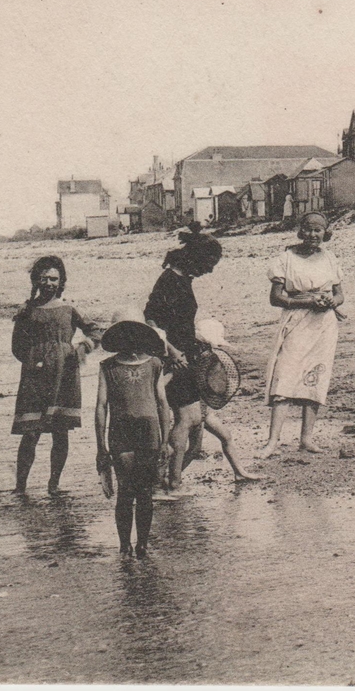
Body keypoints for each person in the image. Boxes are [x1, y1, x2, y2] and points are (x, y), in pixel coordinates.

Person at [144, 227, 223, 491]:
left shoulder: (182, 279)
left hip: (185, 355)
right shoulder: (169, 280)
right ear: (195, 258)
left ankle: (166, 478)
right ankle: (172, 481)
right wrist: (171, 351)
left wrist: (194, 341)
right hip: (174, 359)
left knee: (188, 420)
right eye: (209, 264)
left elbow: (178, 322)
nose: (210, 270)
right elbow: (151, 319)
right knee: (186, 419)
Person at [261, 211, 345, 455]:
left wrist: (332, 301)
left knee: (316, 377)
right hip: (296, 321)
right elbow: (276, 297)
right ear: (301, 230)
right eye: (308, 229)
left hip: (324, 326)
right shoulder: (286, 258)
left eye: (318, 230)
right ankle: (272, 441)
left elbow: (341, 295)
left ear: (325, 233)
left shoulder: (330, 259)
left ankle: (306, 438)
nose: (313, 234)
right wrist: (306, 302)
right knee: (285, 374)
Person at [10, 256, 95, 495]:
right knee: (31, 432)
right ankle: (20, 486)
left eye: (54, 279)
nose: (49, 283)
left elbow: (95, 331)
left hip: (65, 375)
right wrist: (32, 361)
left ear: (61, 281)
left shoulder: (69, 308)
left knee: (60, 431)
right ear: (36, 280)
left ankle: (54, 484)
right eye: (44, 278)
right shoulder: (27, 310)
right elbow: (17, 345)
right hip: (35, 379)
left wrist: (81, 348)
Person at [94, 308, 170, 558]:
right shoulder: (108, 366)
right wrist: (101, 447)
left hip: (149, 431)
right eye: (123, 333)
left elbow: (162, 403)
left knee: (145, 491)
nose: (129, 338)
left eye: (133, 332)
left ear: (141, 334)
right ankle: (125, 544)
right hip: (120, 432)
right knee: (126, 489)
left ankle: (143, 544)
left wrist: (166, 439)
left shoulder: (155, 364)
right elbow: (101, 406)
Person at [174, 318, 261, 483]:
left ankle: (239, 472)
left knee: (219, 439)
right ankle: (168, 477)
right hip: (199, 409)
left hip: (203, 409)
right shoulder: (201, 359)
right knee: (195, 448)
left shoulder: (199, 357)